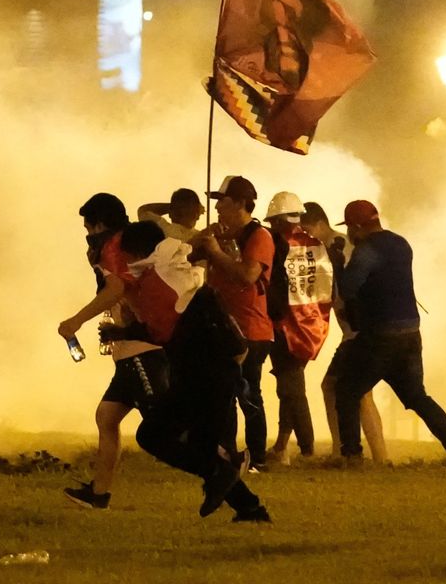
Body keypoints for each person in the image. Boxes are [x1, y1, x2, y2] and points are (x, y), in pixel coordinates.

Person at [116, 222, 272, 523]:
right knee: (201, 449)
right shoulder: (181, 273)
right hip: (213, 373)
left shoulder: (158, 281)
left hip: (201, 376)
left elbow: (160, 330)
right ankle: (250, 508)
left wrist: (128, 324)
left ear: (135, 252)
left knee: (154, 435)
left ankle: (236, 488)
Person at [330, 199, 446, 466]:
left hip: (380, 335)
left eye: (350, 227)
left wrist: (339, 265)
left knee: (347, 389)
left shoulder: (367, 251)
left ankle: (352, 456)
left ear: (358, 226)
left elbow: (348, 289)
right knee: (417, 396)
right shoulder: (401, 244)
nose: (348, 233)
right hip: (410, 333)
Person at [55, 192, 137, 509]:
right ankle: (98, 493)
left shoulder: (114, 248)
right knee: (107, 416)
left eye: (88, 227)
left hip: (143, 345)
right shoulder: (122, 244)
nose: (87, 235)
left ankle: (225, 462)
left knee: (164, 430)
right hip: (132, 342)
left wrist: (76, 321)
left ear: (100, 224)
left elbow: (117, 288)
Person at [196, 175, 275, 471]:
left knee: (248, 394)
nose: (217, 208)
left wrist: (215, 253)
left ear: (241, 203)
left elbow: (248, 275)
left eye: (223, 201)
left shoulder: (259, 236)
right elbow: (185, 257)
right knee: (222, 394)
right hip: (222, 327)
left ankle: (257, 459)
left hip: (250, 329)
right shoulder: (222, 235)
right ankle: (227, 454)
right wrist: (203, 240)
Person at [308, 202, 386, 461]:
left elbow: (353, 283)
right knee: (354, 391)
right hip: (356, 329)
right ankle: (375, 455)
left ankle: (347, 451)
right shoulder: (331, 246)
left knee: (343, 388)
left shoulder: (339, 246)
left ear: (319, 224)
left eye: (306, 229)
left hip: (358, 330)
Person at [262, 192, 331, 462]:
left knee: (290, 389)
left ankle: (307, 449)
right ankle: (282, 447)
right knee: (290, 386)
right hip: (312, 325)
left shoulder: (276, 243)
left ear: (277, 220)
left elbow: (273, 286)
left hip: (284, 326)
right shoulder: (314, 244)